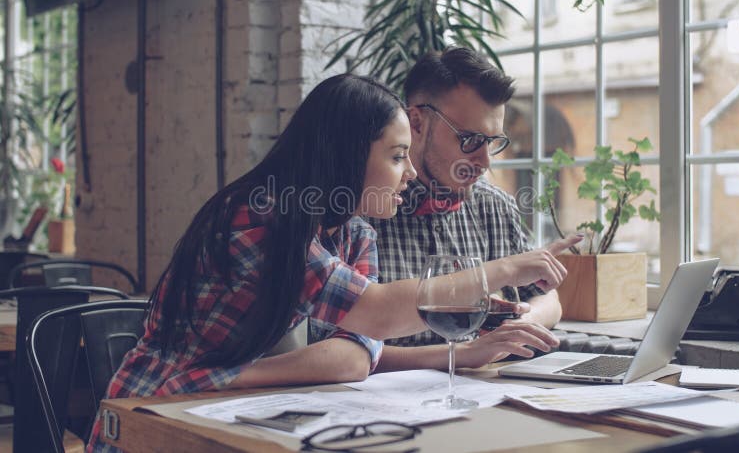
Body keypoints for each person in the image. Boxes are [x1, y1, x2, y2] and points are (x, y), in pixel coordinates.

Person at [87, 74, 576, 451]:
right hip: (151, 411)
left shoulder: (353, 230)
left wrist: (236, 373)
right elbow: (378, 313)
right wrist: (509, 268)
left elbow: (355, 356)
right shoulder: (261, 214)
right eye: (397, 155)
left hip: (218, 400)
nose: (409, 173)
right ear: (345, 156)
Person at [368, 48, 581, 372]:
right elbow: (341, 348)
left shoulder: (494, 207)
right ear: (416, 122)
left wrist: (521, 325)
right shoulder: (363, 211)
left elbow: (548, 298)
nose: (485, 161)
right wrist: (467, 353)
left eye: (493, 142)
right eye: (469, 139)